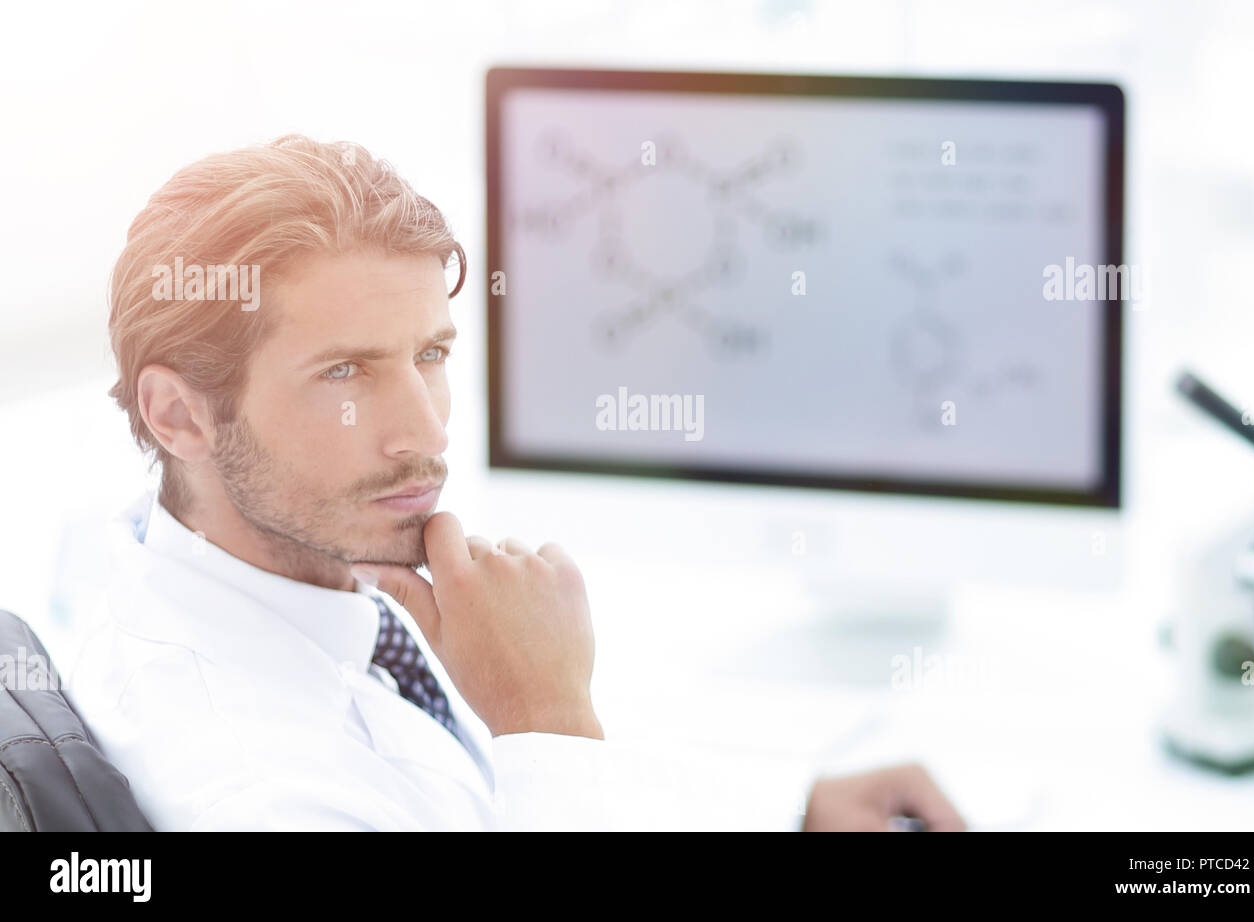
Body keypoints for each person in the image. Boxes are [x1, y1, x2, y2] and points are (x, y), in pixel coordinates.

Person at [65, 135, 966, 831]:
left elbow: (472, 792)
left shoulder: (270, 563)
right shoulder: (260, 790)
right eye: (344, 374)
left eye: (430, 354)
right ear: (179, 417)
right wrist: (546, 719)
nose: (426, 429)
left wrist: (783, 811)